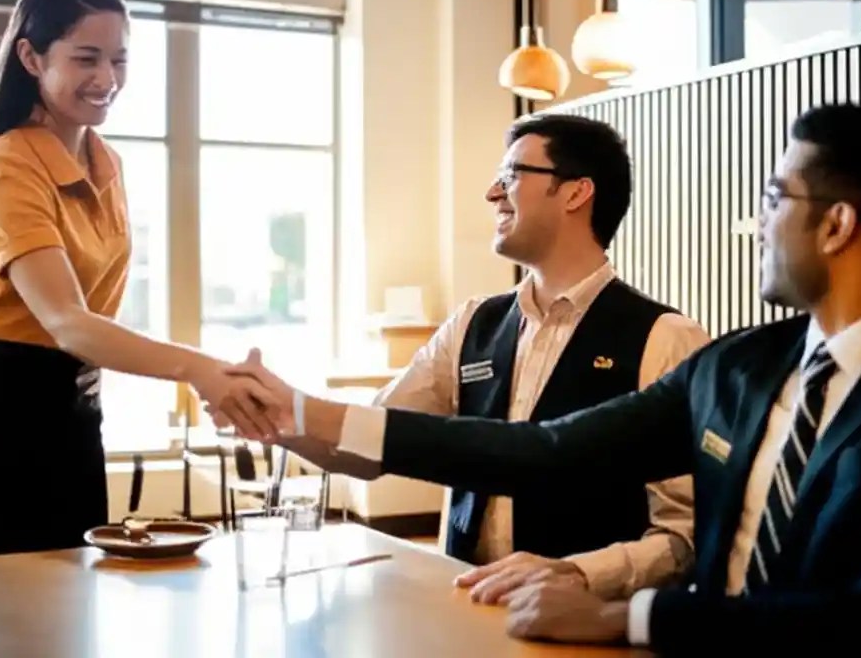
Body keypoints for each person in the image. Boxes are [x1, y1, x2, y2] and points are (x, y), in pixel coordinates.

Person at [219, 103, 861, 654]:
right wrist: (310, 413)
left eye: (773, 198)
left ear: (836, 224)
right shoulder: (739, 366)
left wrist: (629, 613)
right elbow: (544, 451)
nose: (753, 223)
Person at [304, 114, 709, 587]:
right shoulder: (471, 324)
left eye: (512, 176)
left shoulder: (665, 337)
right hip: (465, 612)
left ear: (577, 192)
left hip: (583, 632)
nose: (493, 194)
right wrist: (274, 414)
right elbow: (368, 446)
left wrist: (577, 574)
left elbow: (685, 534)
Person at [0, 0, 255, 559]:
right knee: (4, 619)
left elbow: (91, 324)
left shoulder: (105, 160)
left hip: (75, 407)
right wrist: (199, 368)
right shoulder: (7, 164)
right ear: (31, 56)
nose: (107, 79)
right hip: (1, 410)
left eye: (119, 60)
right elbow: (68, 321)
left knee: (73, 604)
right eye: (87, 58)